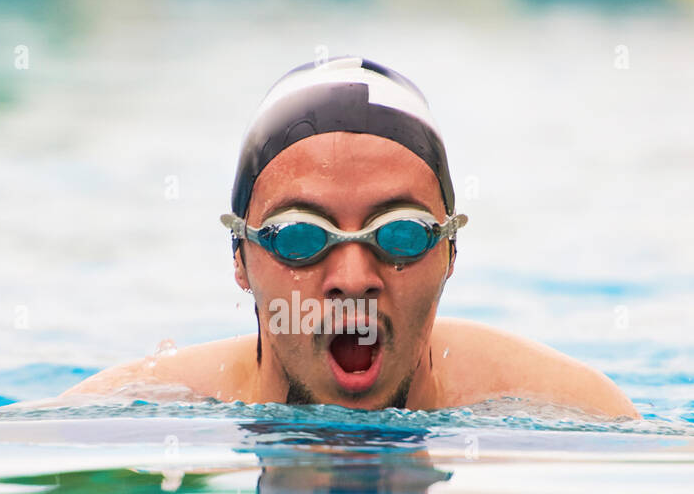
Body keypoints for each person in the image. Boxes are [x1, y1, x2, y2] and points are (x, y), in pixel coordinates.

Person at [63, 56, 638, 419]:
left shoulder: (569, 410)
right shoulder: (138, 411)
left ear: (451, 252)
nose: (354, 279)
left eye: (402, 234)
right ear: (239, 257)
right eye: (299, 237)